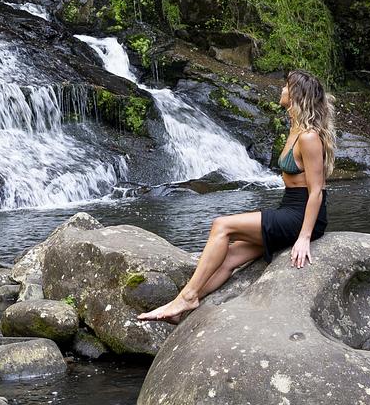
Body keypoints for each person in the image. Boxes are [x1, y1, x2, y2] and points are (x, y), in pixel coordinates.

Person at [136, 69, 335, 324]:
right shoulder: (295, 129)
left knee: (222, 225)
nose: (282, 89)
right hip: (288, 207)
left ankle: (186, 297)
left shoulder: (308, 137)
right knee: (229, 257)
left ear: (296, 94)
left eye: (286, 86)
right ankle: (182, 309)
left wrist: (304, 238)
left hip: (301, 215)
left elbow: (317, 190)